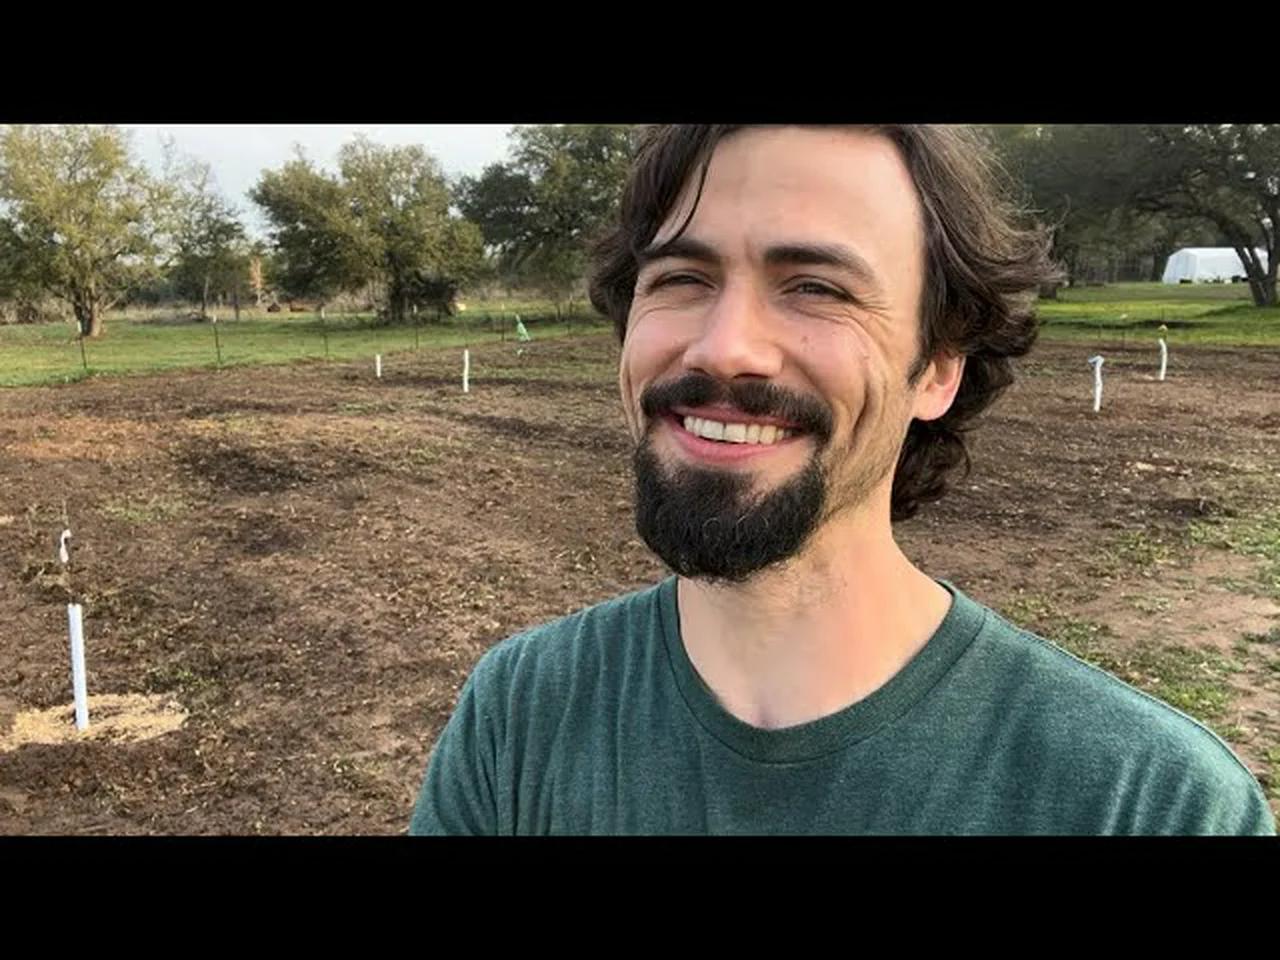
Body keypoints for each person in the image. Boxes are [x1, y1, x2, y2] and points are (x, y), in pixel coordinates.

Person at [410, 124, 1275, 835]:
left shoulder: (1152, 805)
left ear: (938, 366)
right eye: (681, 278)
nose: (722, 347)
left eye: (816, 287)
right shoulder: (521, 715)